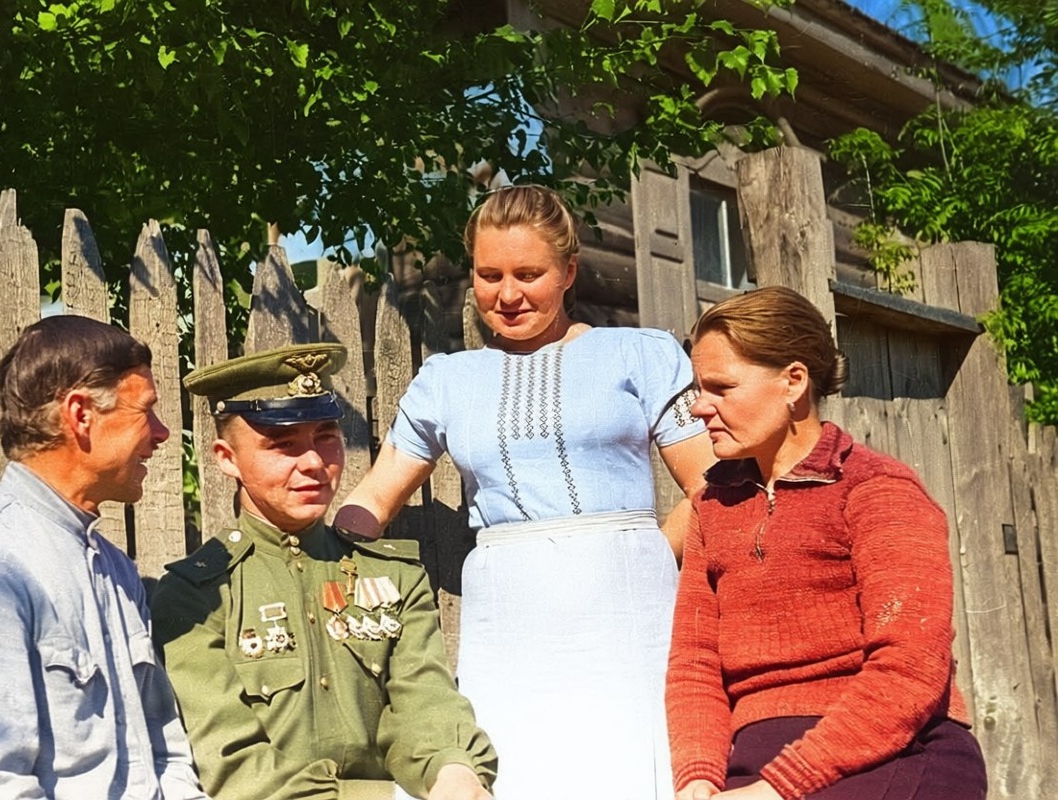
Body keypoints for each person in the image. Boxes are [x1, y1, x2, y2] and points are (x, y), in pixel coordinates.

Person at [335, 184, 718, 799]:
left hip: (628, 608)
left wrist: (646, 549)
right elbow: (375, 498)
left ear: (568, 271)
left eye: (528, 273)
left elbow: (712, 487)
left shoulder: (639, 355)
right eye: (489, 275)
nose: (507, 295)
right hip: (510, 612)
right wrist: (318, 544)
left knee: (630, 765)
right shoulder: (449, 380)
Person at [666, 286, 987, 800]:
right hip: (754, 764)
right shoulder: (712, 505)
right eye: (698, 388)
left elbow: (910, 668)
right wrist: (698, 780)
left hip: (894, 751)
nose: (700, 407)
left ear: (794, 381)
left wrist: (779, 788)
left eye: (721, 387)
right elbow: (695, 664)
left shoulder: (876, 490)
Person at [0, 315, 206, 800]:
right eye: (146, 413)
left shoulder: (115, 570)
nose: (161, 433)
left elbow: (165, 752)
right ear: (81, 415)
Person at [151, 343, 496, 800]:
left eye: (326, 437)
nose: (313, 462)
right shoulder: (197, 595)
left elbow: (424, 702)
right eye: (283, 444)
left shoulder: (395, 577)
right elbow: (233, 765)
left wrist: (453, 772)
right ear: (226, 458)